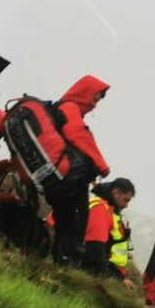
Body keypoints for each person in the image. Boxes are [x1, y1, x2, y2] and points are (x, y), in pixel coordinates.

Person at [46, 75, 112, 266]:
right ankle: (65, 264)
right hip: (69, 180)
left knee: (67, 222)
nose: (94, 105)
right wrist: (101, 164)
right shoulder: (69, 108)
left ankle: (62, 262)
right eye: (94, 99)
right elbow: (77, 134)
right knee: (73, 222)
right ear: (85, 94)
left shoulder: (64, 108)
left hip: (64, 176)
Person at [84, 178, 136, 286]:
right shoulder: (100, 208)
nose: (126, 205)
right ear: (116, 193)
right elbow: (96, 248)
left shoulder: (110, 210)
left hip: (112, 271)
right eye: (126, 200)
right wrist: (109, 279)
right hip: (101, 273)